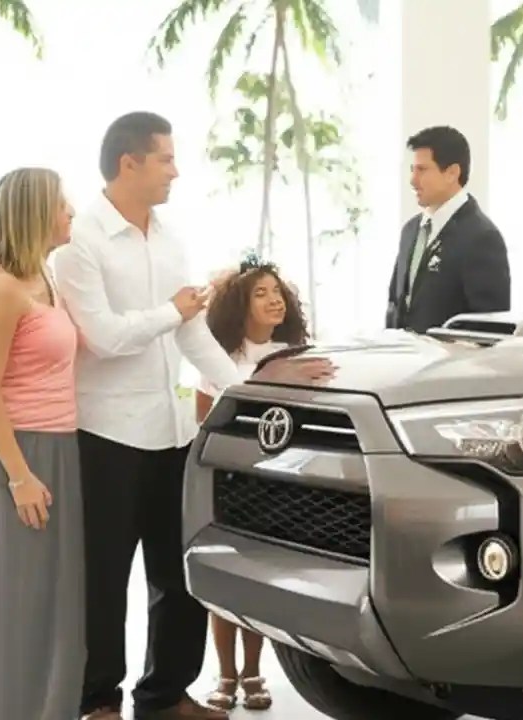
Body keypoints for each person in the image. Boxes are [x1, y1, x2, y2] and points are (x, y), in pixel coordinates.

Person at [53, 111, 244, 720]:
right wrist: (172, 309)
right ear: (128, 162)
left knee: (179, 573)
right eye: (165, 158)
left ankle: (164, 697)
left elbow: (192, 337)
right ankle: (97, 701)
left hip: (173, 432)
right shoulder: (77, 241)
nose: (176, 170)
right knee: (103, 581)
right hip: (105, 435)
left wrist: (245, 392)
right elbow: (104, 337)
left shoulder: (169, 237)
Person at [0, 167, 84, 720]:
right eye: (63, 205)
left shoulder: (47, 278)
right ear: (36, 212)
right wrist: (19, 476)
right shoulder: (1, 289)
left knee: (54, 603)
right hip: (21, 458)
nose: (71, 213)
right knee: (18, 602)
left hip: (59, 451)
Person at [196, 254, 310, 711]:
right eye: (261, 294)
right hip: (229, 483)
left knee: (258, 581)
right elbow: (204, 423)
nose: (273, 301)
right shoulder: (220, 358)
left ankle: (254, 672)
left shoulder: (298, 357)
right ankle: (225, 674)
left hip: (276, 485)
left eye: (277, 292)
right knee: (224, 582)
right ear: (240, 305)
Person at [385, 125, 511, 333]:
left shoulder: (482, 238)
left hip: (450, 364)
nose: (413, 180)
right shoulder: (410, 230)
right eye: (412, 169)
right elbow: (395, 305)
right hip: (404, 362)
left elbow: (490, 329)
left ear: (452, 173)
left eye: (422, 170)